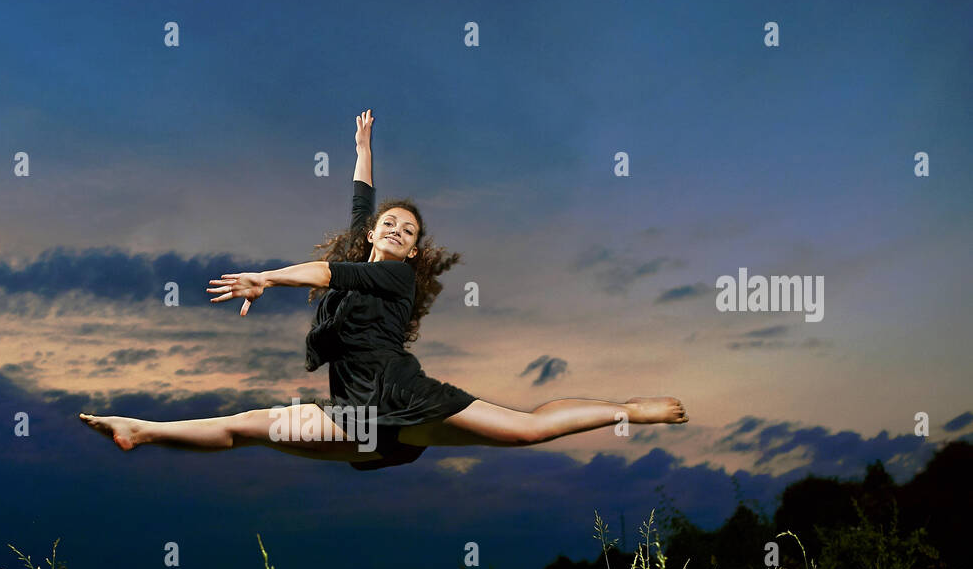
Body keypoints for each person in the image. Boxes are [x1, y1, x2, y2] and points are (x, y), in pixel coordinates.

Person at [80, 109, 687, 468]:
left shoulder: (392, 274)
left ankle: (627, 409)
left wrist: (265, 276)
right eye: (389, 225)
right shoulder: (361, 247)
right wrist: (363, 150)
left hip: (408, 398)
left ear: (413, 251)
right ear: (373, 233)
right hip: (356, 419)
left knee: (526, 429)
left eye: (409, 231)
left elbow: (321, 273)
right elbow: (360, 204)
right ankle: (142, 429)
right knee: (247, 427)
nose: (397, 231)